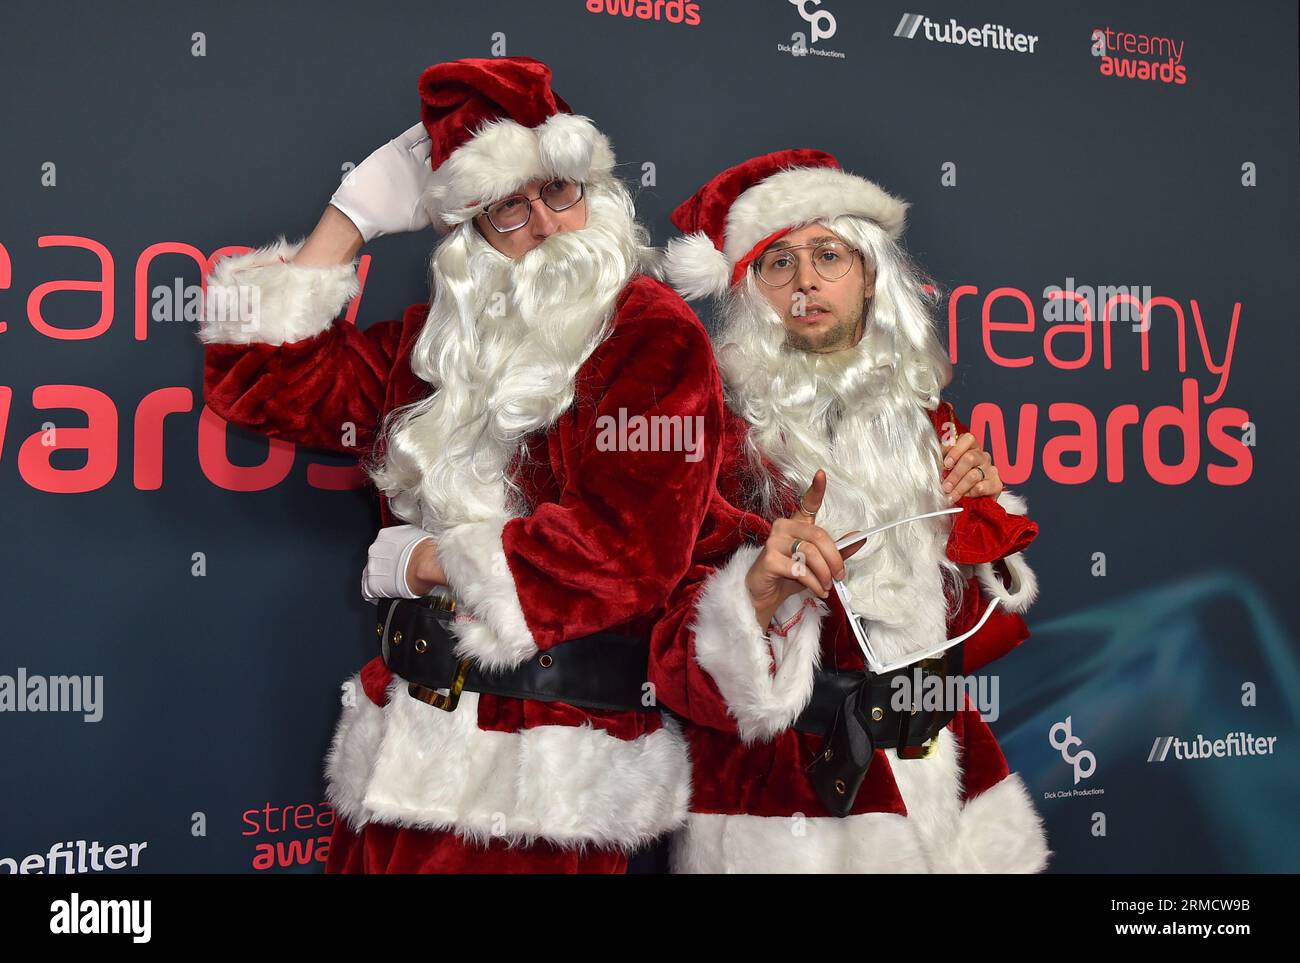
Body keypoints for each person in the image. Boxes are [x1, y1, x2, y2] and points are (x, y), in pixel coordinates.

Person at [197, 56, 723, 873]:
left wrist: (431, 560)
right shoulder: (435, 341)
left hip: (544, 787)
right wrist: (348, 220)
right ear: (469, 231)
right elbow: (257, 386)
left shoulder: (650, 330)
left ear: (594, 188)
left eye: (560, 190)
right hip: (404, 754)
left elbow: (631, 549)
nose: (548, 224)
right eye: (510, 207)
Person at [648, 148, 1051, 872]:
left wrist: (976, 519)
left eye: (828, 254)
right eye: (777, 261)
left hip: (942, 792)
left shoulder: (925, 425)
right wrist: (753, 592)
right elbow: (668, 668)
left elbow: (970, 641)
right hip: (789, 810)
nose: (805, 279)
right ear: (747, 293)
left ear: (869, 280)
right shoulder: (706, 433)